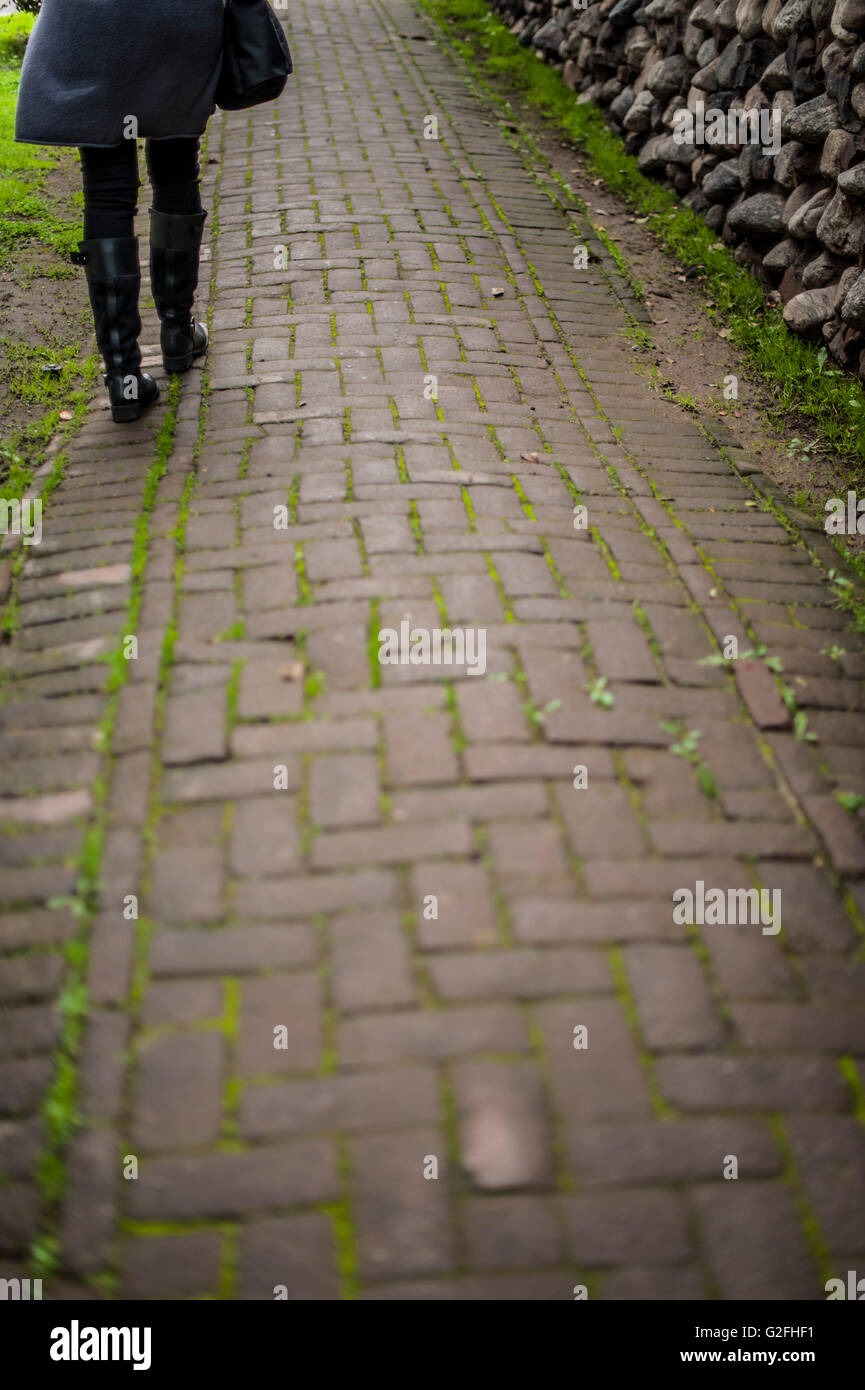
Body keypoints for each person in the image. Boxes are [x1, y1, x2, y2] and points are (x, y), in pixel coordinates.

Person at [14, 0, 225, 422]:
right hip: (176, 21)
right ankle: (177, 334)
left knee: (106, 189)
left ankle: (123, 379)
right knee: (176, 167)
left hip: (91, 22)